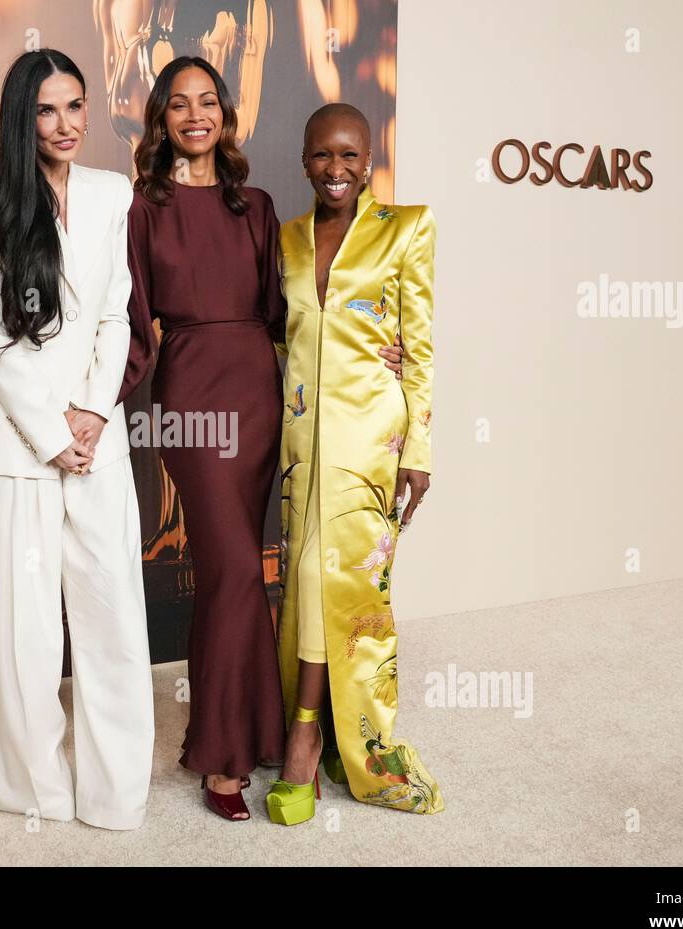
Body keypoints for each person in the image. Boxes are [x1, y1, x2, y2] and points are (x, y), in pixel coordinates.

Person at [0, 48, 154, 830]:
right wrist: (48, 431)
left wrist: (95, 413)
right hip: (15, 443)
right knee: (23, 635)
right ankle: (35, 790)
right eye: (45, 110)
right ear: (20, 116)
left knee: (113, 620)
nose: (65, 124)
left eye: (75, 106)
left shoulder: (112, 192)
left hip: (97, 440)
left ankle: (115, 795)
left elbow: (117, 313)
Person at [116, 56, 286, 821]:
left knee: (235, 573)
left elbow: (289, 315)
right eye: (179, 104)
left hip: (258, 391)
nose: (195, 115)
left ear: (224, 113)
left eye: (207, 102)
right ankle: (227, 757)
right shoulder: (141, 210)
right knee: (238, 569)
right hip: (189, 397)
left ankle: (239, 736)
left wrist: (372, 344)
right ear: (161, 119)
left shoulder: (256, 204)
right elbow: (132, 323)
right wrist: (91, 407)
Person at [267, 103, 445, 825]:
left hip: (372, 442)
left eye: (349, 155)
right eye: (321, 156)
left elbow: (421, 345)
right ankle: (320, 726)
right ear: (305, 161)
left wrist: (419, 450)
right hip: (302, 442)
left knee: (341, 587)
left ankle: (307, 742)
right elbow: (281, 339)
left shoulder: (407, 228)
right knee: (305, 584)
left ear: (369, 160)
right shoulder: (288, 239)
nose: (334, 169)